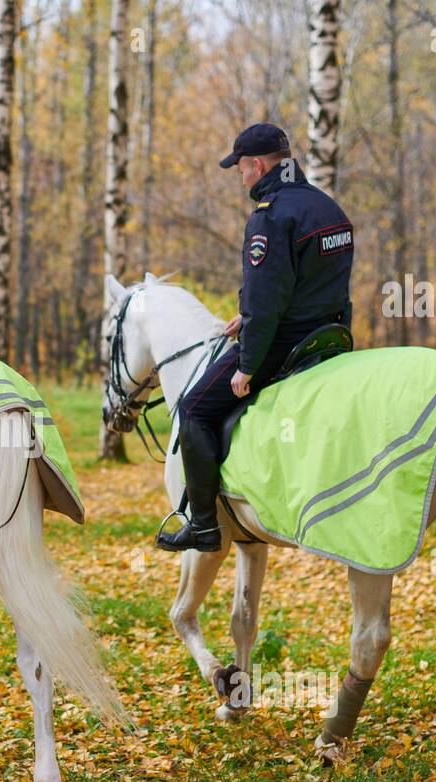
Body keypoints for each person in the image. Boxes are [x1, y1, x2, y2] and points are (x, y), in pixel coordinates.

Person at [155, 123, 354, 552]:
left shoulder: (270, 216)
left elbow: (268, 303)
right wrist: (245, 317)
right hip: (329, 334)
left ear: (258, 165)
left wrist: (247, 363)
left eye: (240, 168)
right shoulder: (328, 208)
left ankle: (204, 525)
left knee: (192, 409)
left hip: (284, 342)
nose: (240, 177)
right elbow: (314, 285)